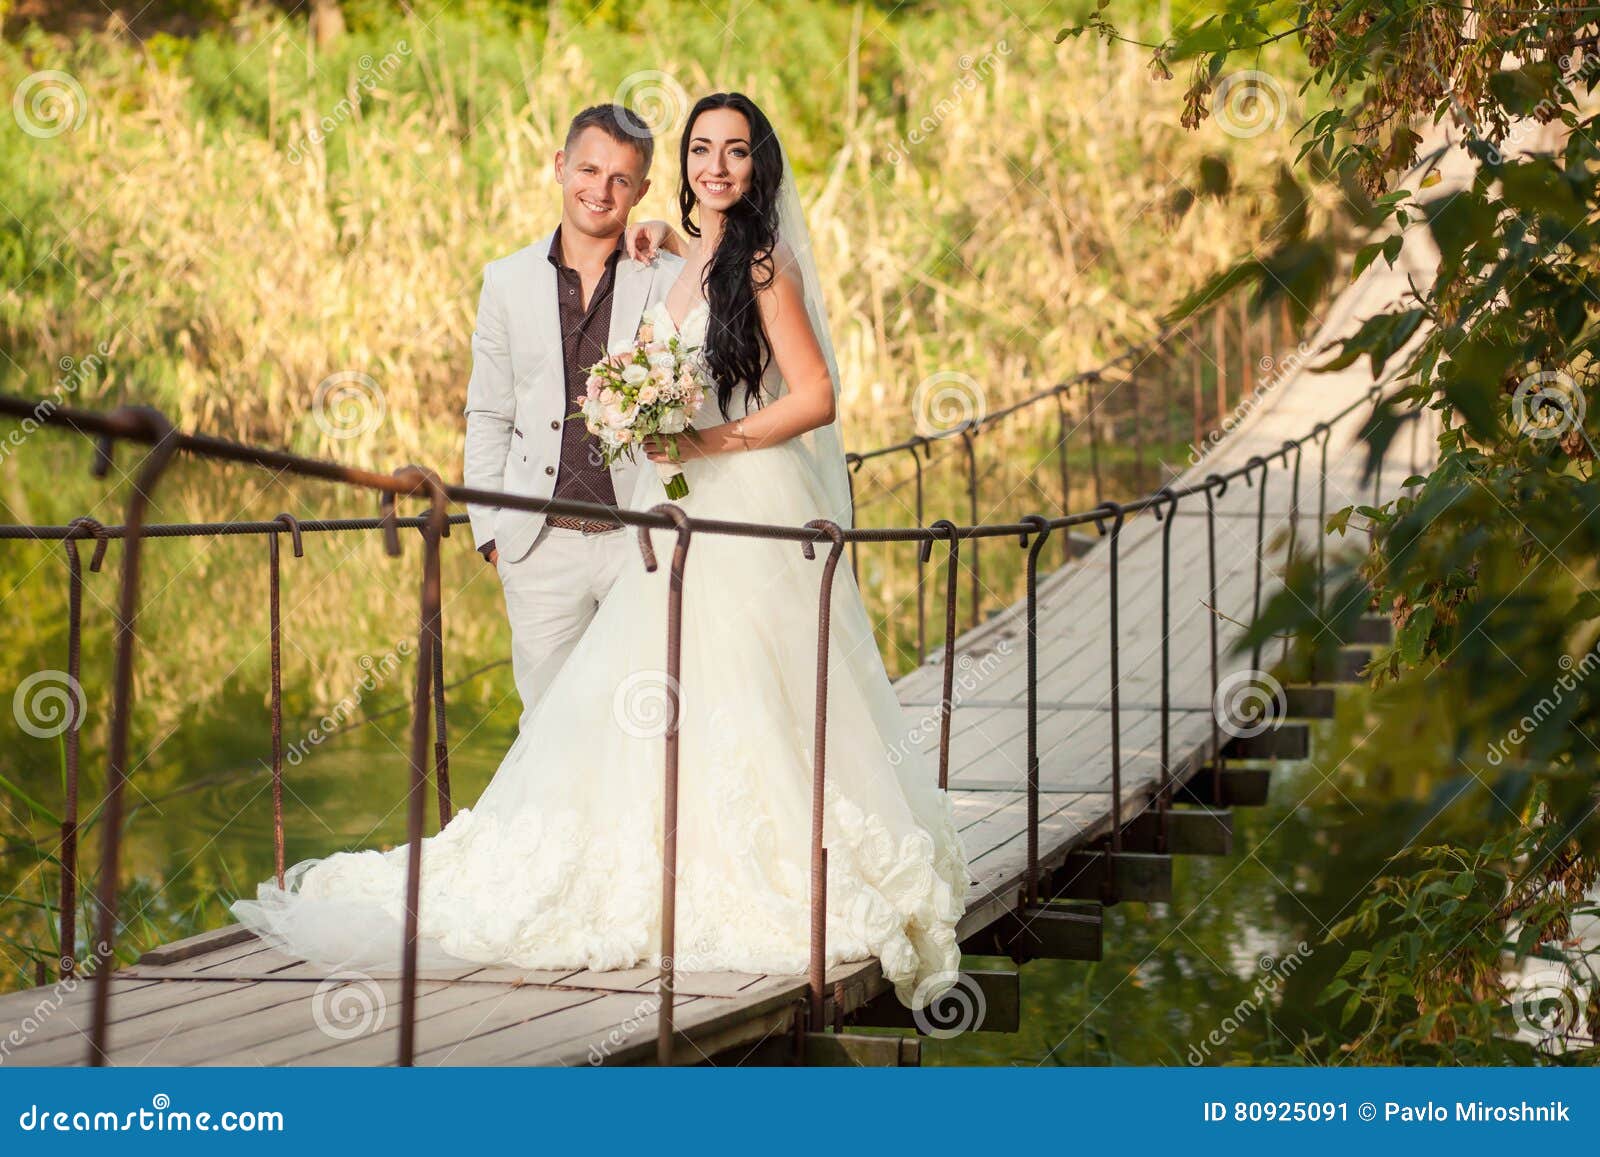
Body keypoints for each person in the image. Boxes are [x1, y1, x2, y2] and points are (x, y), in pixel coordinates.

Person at [230, 92, 969, 1011]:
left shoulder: (756, 264)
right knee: (628, 710)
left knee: (739, 691)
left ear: (754, 164)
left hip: (717, 508)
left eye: (734, 152)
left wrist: (711, 442)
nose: (718, 167)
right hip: (648, 515)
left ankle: (741, 866)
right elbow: (497, 407)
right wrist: (495, 528)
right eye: (704, 150)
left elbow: (813, 395)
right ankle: (643, 862)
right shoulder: (674, 260)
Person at [460, 103, 685, 733]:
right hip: (538, 545)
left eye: (621, 179)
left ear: (641, 190)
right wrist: (493, 537)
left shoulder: (667, 278)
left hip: (640, 542)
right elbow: (489, 411)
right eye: (589, 169)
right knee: (549, 728)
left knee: (647, 723)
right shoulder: (505, 281)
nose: (601, 190)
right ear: (561, 167)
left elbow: (742, 289)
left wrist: (673, 235)